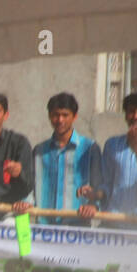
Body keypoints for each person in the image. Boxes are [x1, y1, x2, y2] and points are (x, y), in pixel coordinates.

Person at [33, 92, 102, 222]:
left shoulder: (90, 148)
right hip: (44, 228)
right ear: (49, 116)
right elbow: (30, 188)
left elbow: (99, 186)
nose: (60, 120)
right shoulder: (39, 151)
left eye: (65, 115)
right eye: (55, 115)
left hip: (76, 228)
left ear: (74, 116)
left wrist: (93, 205)